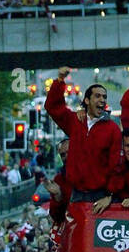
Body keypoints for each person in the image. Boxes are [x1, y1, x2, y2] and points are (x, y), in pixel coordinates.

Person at [44, 67, 122, 210]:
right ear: (87, 100)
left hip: (101, 196)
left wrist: (110, 195)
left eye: (104, 97)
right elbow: (53, 107)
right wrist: (60, 80)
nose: (102, 100)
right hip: (77, 195)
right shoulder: (75, 122)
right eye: (97, 96)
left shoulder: (112, 129)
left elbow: (116, 164)